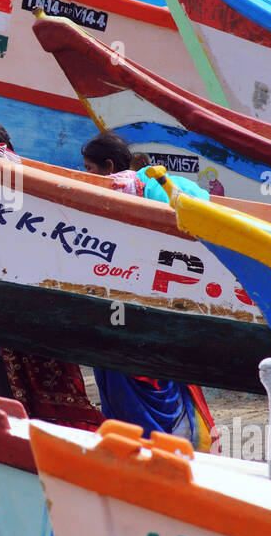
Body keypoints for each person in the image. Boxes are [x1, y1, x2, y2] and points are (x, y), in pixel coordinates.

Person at [0, 115, 105, 431]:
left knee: (49, 416)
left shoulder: (29, 201)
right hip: (8, 337)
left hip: (38, 332)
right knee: (10, 417)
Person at [81, 132, 198, 438]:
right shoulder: (149, 190)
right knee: (155, 372)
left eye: (89, 168)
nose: (85, 175)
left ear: (108, 166)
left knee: (125, 371)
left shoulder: (116, 192)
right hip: (151, 301)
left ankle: (143, 442)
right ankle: (168, 436)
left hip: (122, 304)